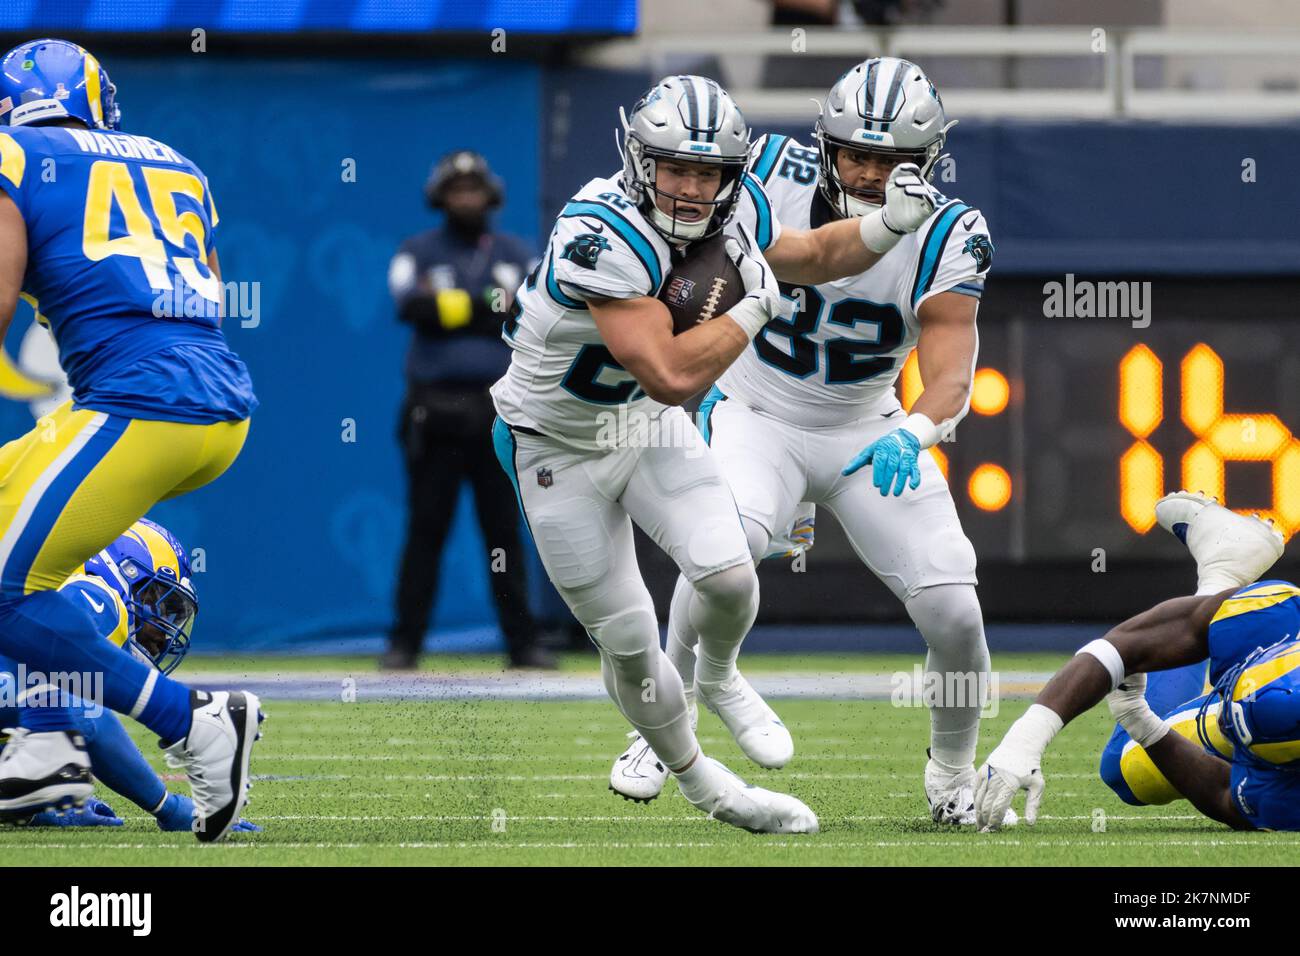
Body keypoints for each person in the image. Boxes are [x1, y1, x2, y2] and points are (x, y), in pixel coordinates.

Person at [491, 74, 938, 833]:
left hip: (637, 426)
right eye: (677, 168)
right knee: (631, 645)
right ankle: (710, 788)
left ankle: (719, 677)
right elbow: (669, 374)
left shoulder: (738, 210)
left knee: (729, 575)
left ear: (735, 175)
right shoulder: (601, 230)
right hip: (556, 446)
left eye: (710, 173)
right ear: (641, 161)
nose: (693, 188)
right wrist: (756, 307)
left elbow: (811, 255)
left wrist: (887, 228)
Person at [608, 59, 1000, 826]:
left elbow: (952, 373)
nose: (871, 173)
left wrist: (917, 432)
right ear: (826, 144)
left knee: (955, 604)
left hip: (867, 427)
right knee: (725, 549)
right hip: (759, 413)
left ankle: (953, 777)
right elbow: (694, 244)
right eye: (857, 153)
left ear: (926, 162)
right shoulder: (767, 176)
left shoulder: (953, 229)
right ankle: (660, 724)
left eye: (892, 163)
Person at [0, 38, 262, 842]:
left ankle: (191, 721)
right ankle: (38, 738)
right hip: (212, 407)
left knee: (5, 595)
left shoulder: (14, 155)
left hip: (141, 403)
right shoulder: (175, 163)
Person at [974, 491, 1297, 832]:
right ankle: (1224, 575)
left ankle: (1224, 572)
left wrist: (1139, 719)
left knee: (1122, 767)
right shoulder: (1274, 616)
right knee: (1206, 629)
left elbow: (1223, 793)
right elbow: (1127, 646)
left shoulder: (1289, 794)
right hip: (1268, 650)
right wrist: (1024, 740)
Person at [384, 150, 554, 671]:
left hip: (497, 410)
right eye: (456, 191)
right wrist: (486, 303)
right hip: (433, 410)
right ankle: (404, 645)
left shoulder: (516, 251)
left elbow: (529, 309)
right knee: (425, 530)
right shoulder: (417, 250)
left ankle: (522, 644)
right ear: (441, 196)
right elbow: (411, 306)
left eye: (474, 190)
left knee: (503, 531)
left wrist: (455, 305)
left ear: (490, 195)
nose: (466, 199)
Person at [0, 518, 258, 832]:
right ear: (124, 573)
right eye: (160, 601)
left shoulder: (38, 591)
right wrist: (166, 805)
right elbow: (83, 717)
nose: (164, 631)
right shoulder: (95, 595)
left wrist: (37, 806)